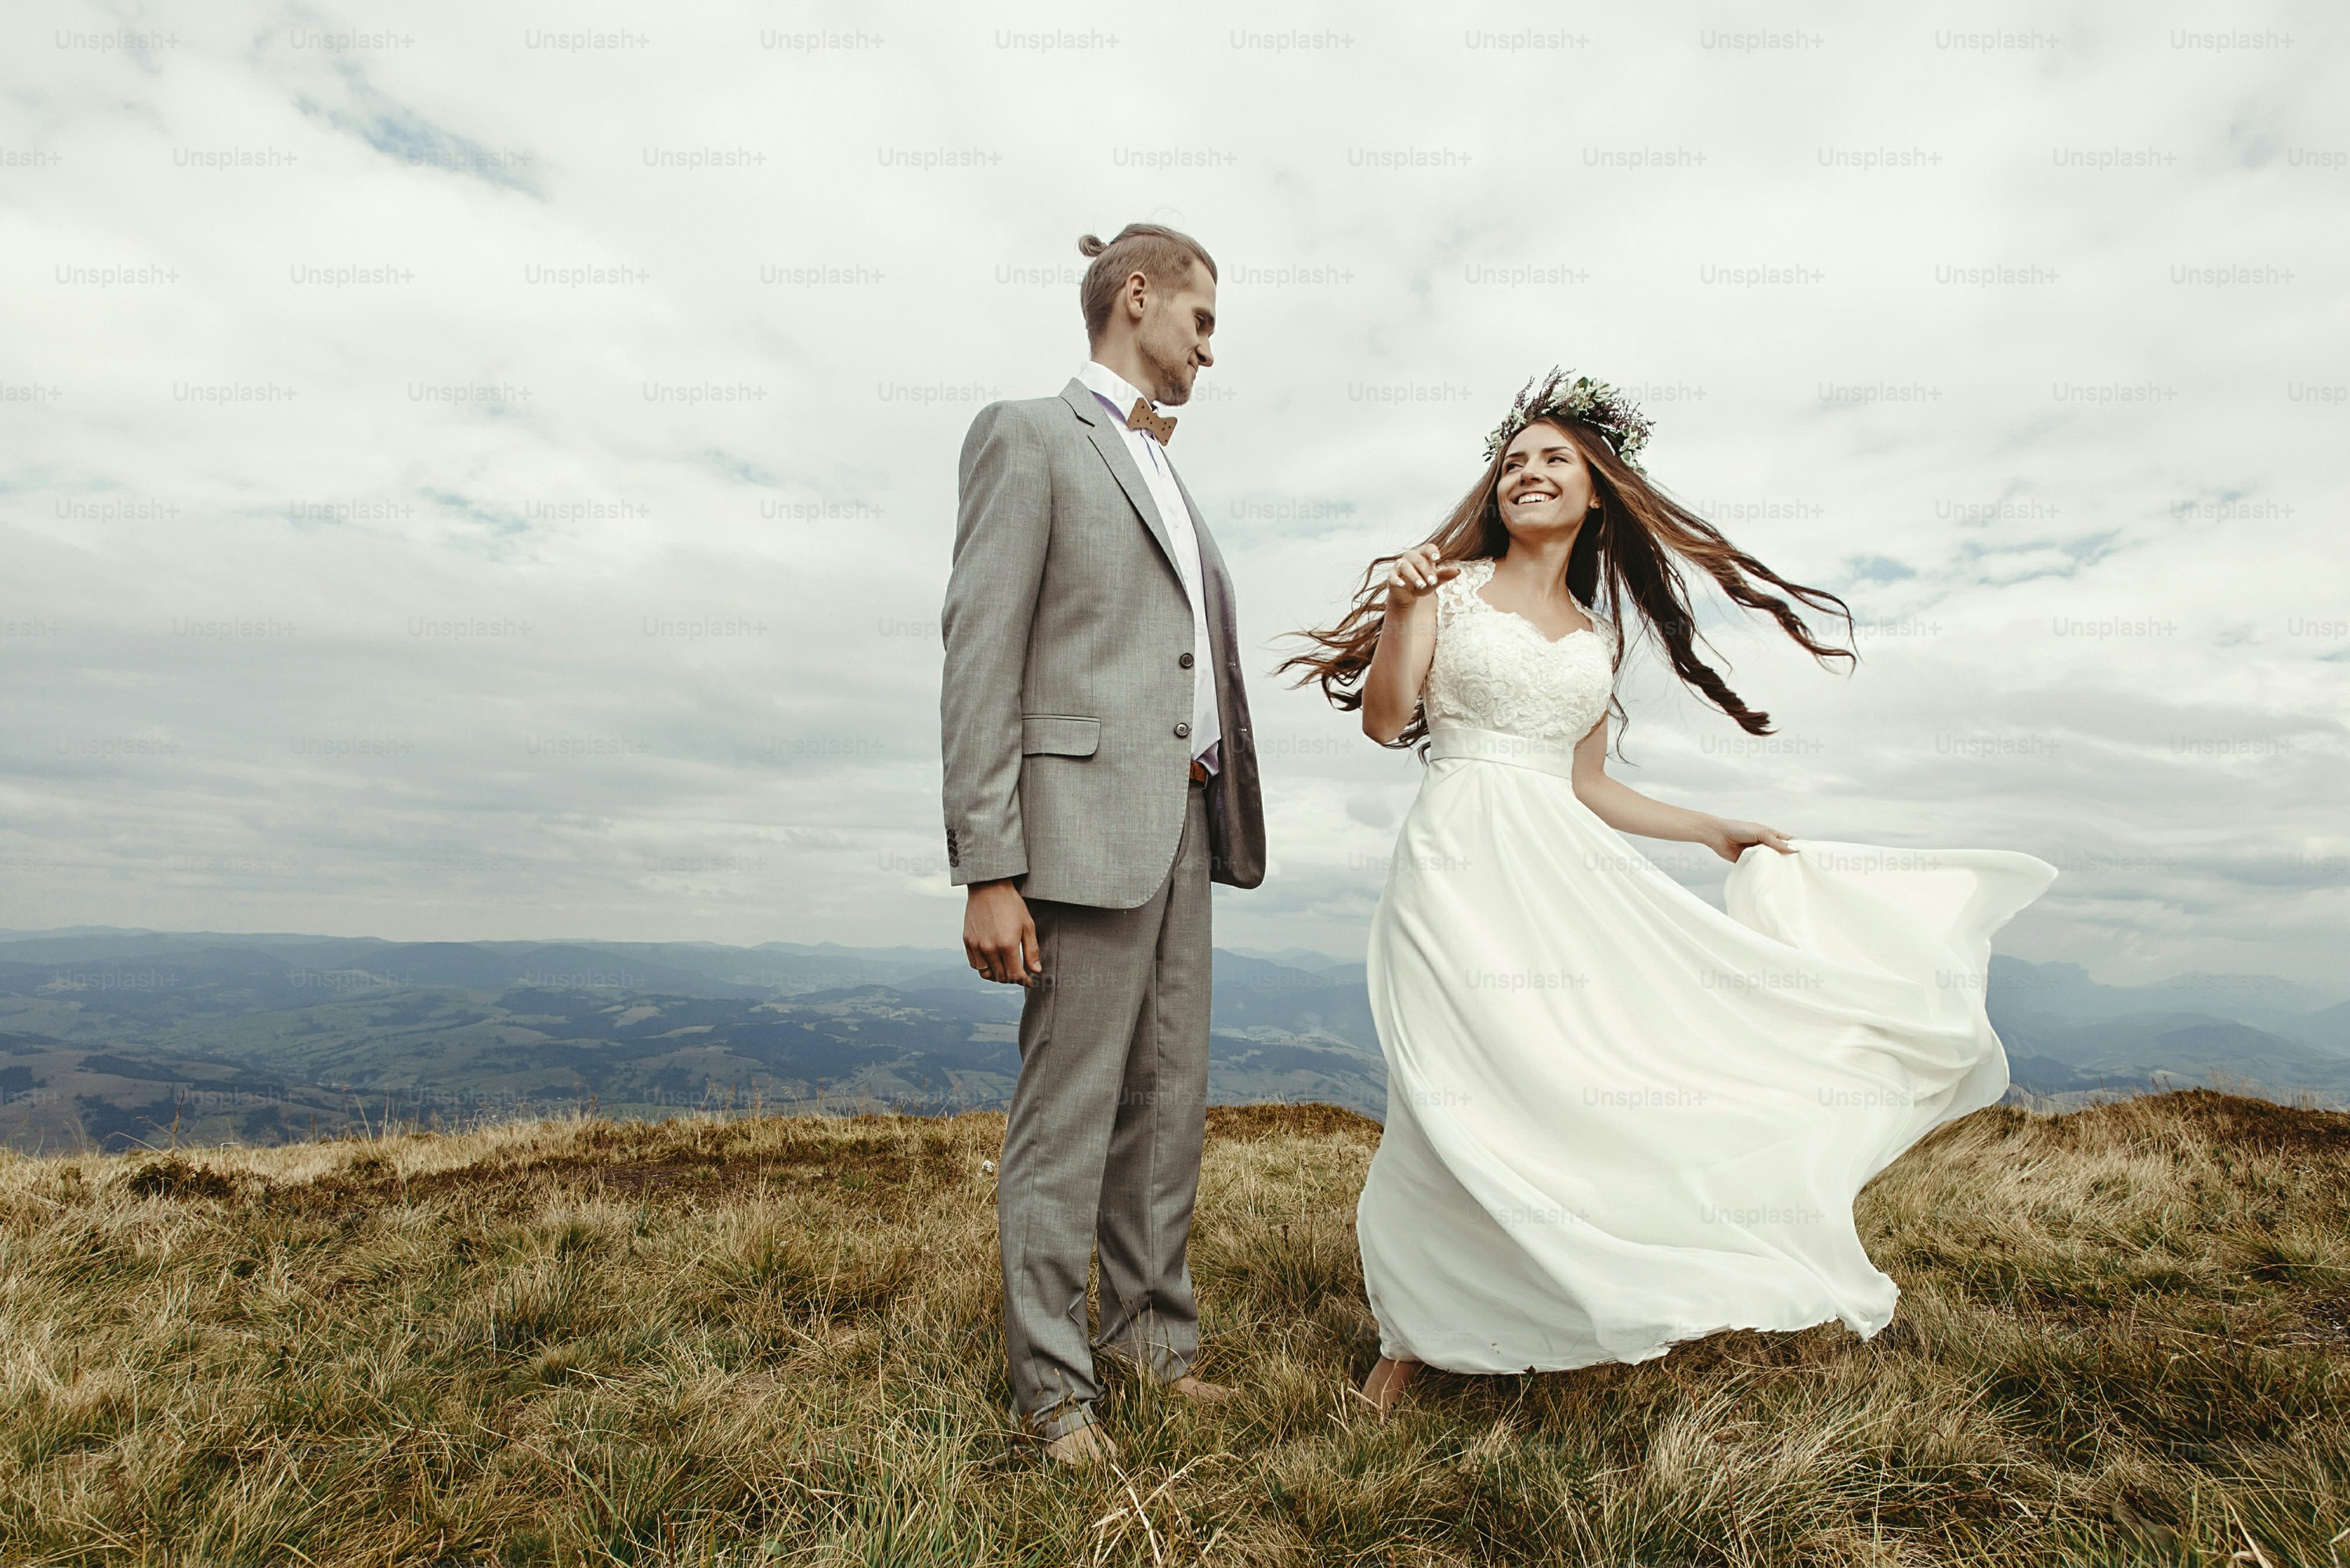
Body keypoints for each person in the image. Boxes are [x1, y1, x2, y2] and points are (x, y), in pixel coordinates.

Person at [1281, 370, 2056, 1410]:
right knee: (1442, 1085)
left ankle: (1558, 1283)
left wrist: (1709, 827)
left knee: (1557, 1078)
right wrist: (1406, 607)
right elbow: (1385, 721)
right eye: (1512, 461)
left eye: (1553, 458)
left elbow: (1588, 782)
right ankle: (1410, 1338)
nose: (1528, 472)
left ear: (1596, 489)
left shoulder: (1594, 637)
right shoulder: (1448, 590)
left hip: (1557, 872)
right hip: (1456, 858)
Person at [939, 222, 1265, 1463]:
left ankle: (1148, 1341)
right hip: (1076, 836)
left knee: (1168, 1101)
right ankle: (1052, 1392)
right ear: (1140, 297)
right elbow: (980, 652)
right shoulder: (1025, 436)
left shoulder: (1172, 477)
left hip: (1188, 824)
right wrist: (989, 863)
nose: (1208, 352)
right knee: (1068, 1116)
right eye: (1203, 323)